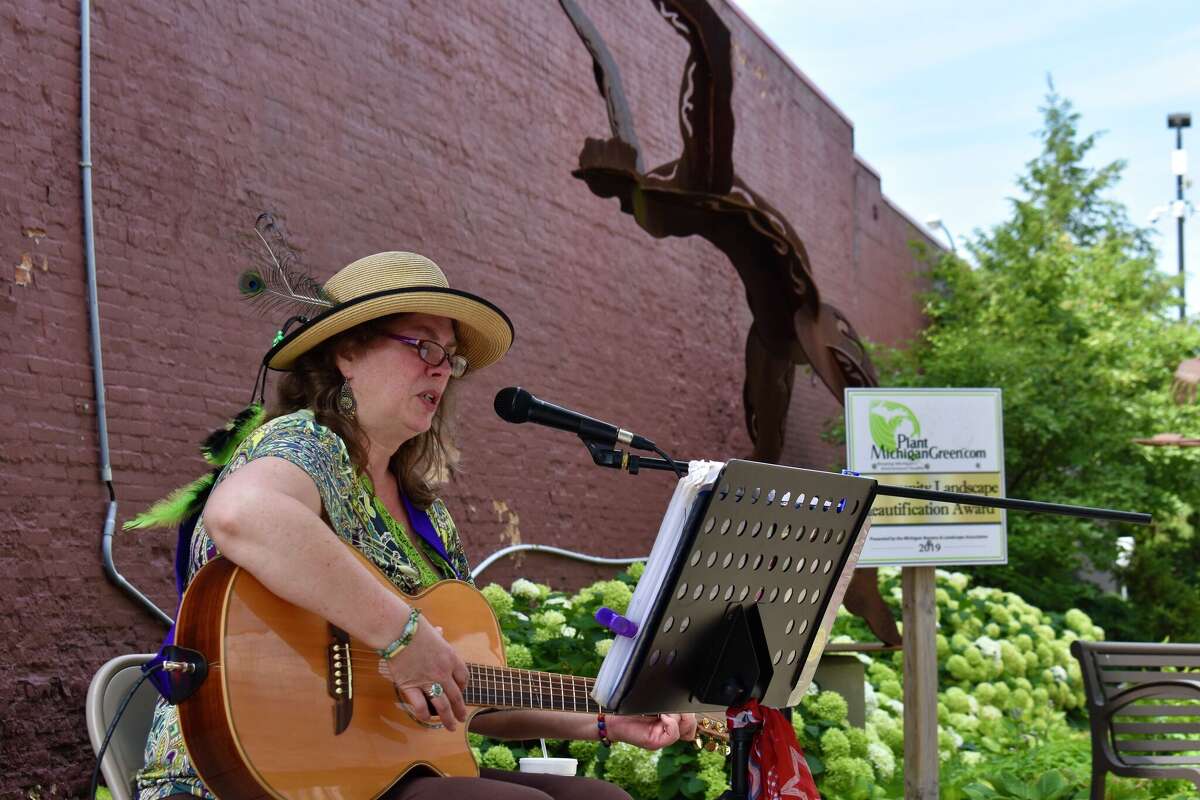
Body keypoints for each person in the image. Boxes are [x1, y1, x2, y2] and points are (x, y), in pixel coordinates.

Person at [134, 250, 697, 799]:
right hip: (243, 774)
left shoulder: (427, 515)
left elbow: (473, 695)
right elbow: (242, 514)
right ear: (346, 353)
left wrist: (606, 718)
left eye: (449, 357)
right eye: (422, 345)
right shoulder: (305, 442)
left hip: (382, 770)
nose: (441, 369)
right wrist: (402, 635)